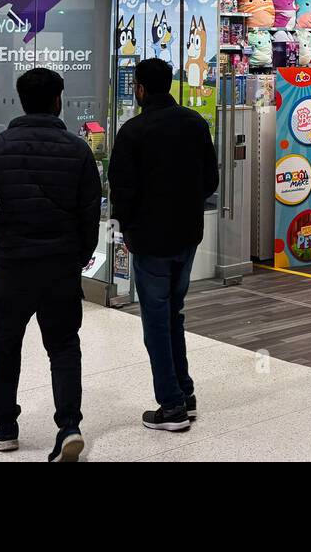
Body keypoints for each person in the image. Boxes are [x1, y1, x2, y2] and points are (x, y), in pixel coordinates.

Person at [0, 67, 101, 463]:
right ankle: (69, 427)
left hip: (13, 265)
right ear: (58, 100)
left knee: (6, 346)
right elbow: (89, 215)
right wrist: (78, 258)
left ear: (22, 99)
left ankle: (6, 427)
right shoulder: (78, 151)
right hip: (60, 266)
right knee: (63, 347)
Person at [109, 57, 218, 433]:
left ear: (140, 88)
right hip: (187, 235)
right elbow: (210, 180)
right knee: (174, 313)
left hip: (150, 239)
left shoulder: (133, 131)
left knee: (156, 320)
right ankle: (184, 393)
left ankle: (171, 405)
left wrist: (128, 226)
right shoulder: (194, 123)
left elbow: (121, 189)